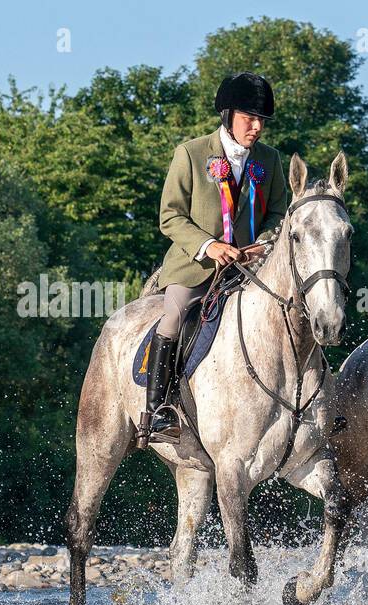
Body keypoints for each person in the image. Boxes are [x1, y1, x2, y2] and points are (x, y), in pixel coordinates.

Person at [139, 72, 289, 447]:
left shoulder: (269, 161)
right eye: (248, 118)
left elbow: (280, 214)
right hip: (197, 267)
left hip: (251, 270)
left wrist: (264, 243)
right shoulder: (190, 154)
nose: (256, 128)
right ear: (228, 116)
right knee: (174, 317)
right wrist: (210, 245)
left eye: (261, 121)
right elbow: (170, 216)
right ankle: (158, 410)